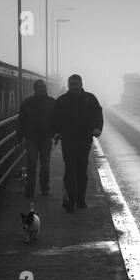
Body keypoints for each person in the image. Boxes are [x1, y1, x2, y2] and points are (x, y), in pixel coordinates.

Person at [51, 73, 103, 212]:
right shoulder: (62, 101)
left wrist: (98, 128)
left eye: (76, 84)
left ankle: (80, 198)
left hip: (84, 140)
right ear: (68, 85)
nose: (74, 87)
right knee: (70, 169)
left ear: (81, 84)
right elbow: (55, 118)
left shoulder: (90, 99)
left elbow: (98, 114)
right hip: (68, 140)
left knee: (81, 169)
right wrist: (56, 132)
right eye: (71, 84)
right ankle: (71, 199)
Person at [16, 79, 56, 197]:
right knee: (31, 163)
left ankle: (44, 188)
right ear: (35, 89)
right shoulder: (27, 103)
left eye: (44, 87)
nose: (43, 89)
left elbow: (56, 119)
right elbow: (21, 120)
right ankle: (30, 189)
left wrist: (56, 133)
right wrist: (19, 135)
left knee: (45, 164)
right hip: (32, 137)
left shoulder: (52, 102)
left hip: (46, 137)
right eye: (40, 87)